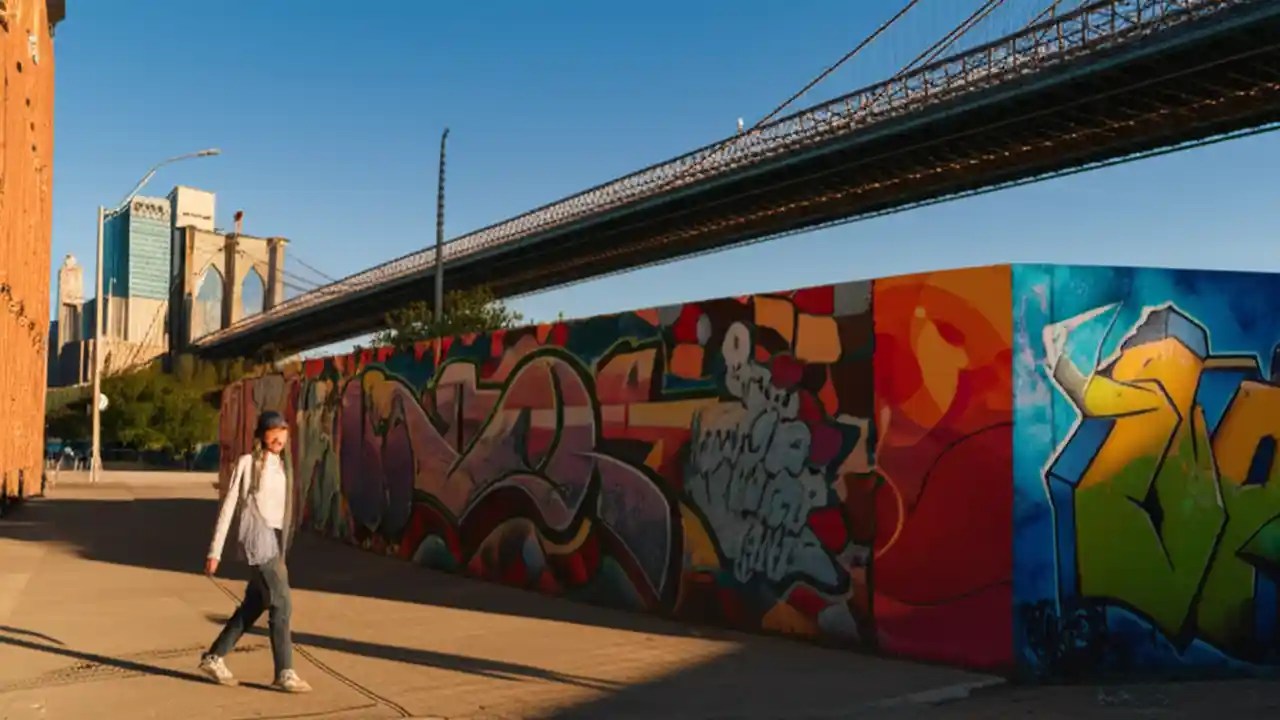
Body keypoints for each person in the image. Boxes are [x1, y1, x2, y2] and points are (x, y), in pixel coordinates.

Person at [199, 410, 312, 693]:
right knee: (281, 602)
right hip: (257, 537)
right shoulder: (248, 463)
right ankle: (285, 671)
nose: (279, 437)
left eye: (283, 431)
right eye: (273, 431)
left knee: (255, 604)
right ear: (262, 435)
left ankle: (214, 657)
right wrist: (216, 551)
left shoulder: (283, 466)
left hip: (276, 540)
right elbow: (229, 506)